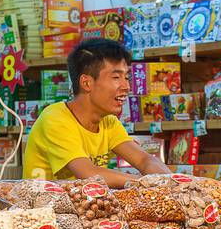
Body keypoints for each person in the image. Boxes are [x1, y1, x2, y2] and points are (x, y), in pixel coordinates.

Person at [22, 38, 171, 186]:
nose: (126, 86)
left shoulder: (108, 121)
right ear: (86, 83)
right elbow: (89, 173)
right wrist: (148, 183)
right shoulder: (55, 118)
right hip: (42, 207)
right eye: (116, 77)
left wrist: (176, 184)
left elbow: (145, 160)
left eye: (127, 77)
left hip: (83, 205)